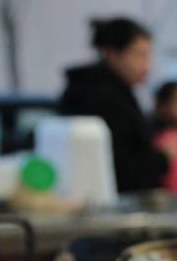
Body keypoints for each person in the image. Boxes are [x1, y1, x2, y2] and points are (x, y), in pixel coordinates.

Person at [59, 17, 167, 194]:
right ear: (112, 54)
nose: (147, 66)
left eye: (148, 55)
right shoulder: (103, 97)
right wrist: (163, 158)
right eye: (139, 55)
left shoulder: (111, 91)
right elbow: (123, 164)